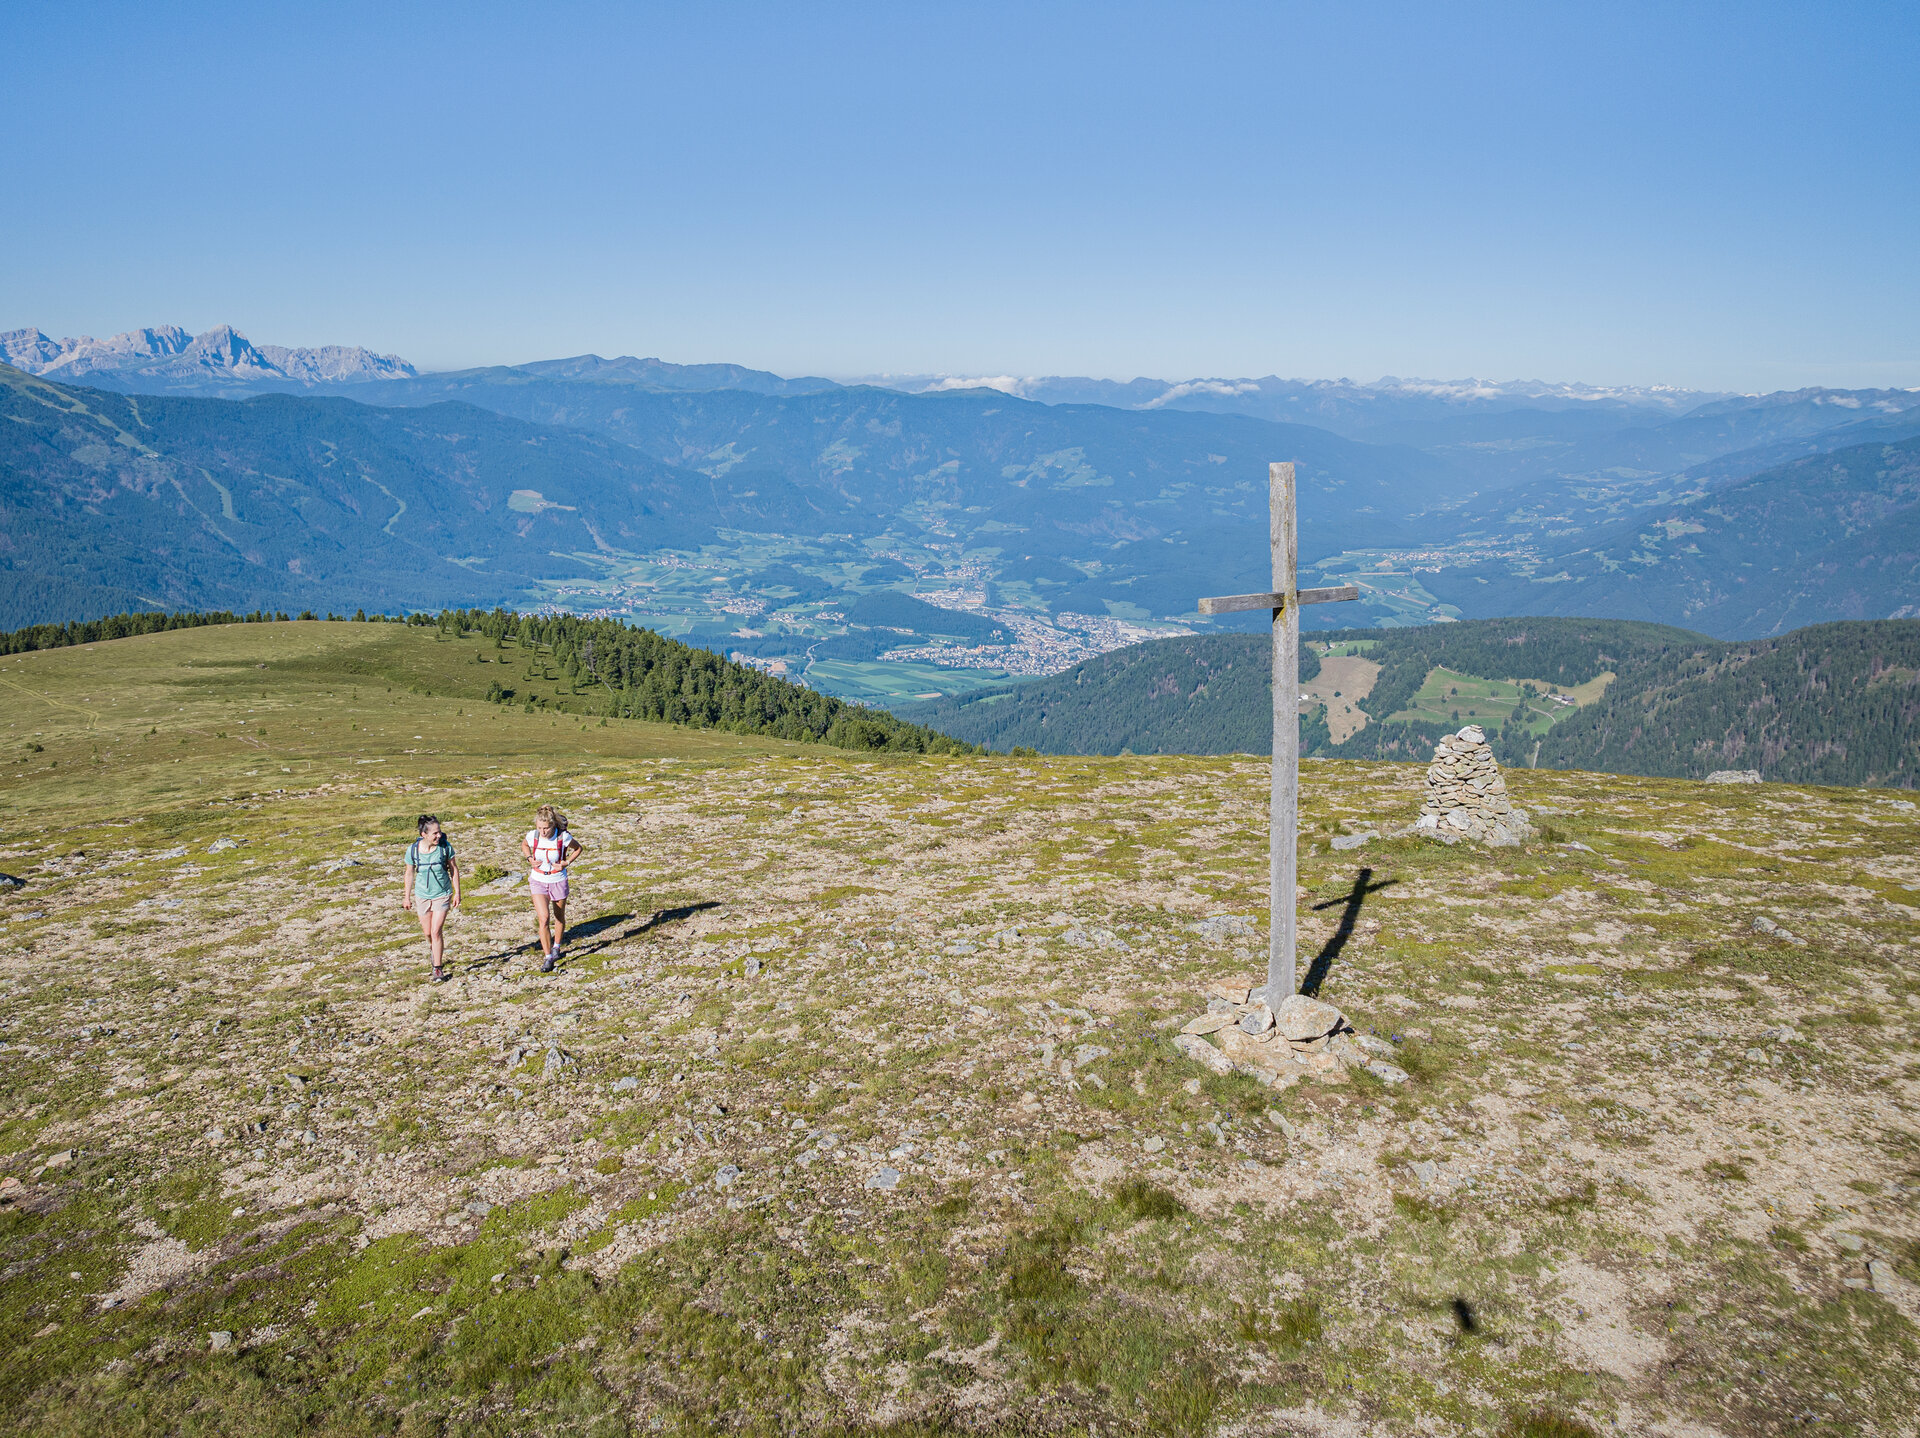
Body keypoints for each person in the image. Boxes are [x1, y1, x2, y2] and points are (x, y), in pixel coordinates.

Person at [522, 803, 583, 973]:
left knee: (559, 916)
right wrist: (529, 858)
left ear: (553, 825)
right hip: (538, 880)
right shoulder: (532, 835)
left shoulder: (563, 837)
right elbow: (524, 845)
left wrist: (567, 862)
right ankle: (548, 957)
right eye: (540, 828)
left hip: (558, 880)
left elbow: (578, 848)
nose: (543, 832)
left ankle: (557, 945)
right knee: (543, 918)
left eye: (547, 828)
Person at [401, 814, 460, 982]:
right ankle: (433, 949)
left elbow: (454, 869)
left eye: (439, 832)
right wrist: (406, 897)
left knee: (436, 931)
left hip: (442, 894)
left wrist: (457, 892)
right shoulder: (412, 850)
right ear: (423, 835)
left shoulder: (445, 848)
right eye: (435, 833)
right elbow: (409, 873)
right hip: (422, 895)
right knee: (428, 932)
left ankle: (438, 968)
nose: (438, 836)